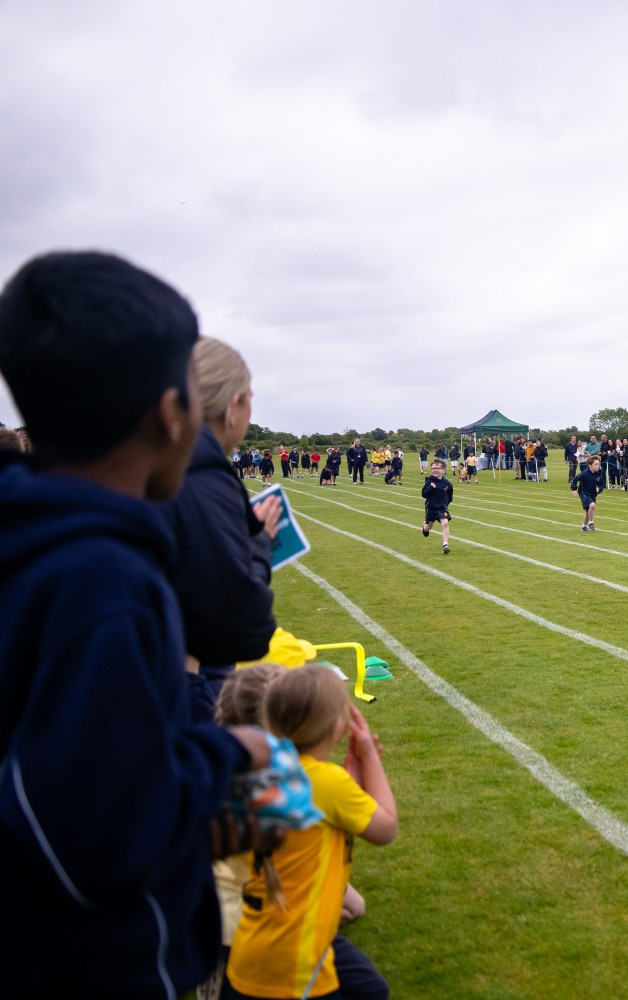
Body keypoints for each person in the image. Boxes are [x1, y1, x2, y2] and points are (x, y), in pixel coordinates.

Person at [0, 250, 276, 996]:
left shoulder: (43, 547)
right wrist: (230, 756)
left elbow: (63, 759)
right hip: (90, 964)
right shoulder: (105, 580)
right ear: (172, 412)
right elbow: (93, 836)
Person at [225, 665, 397, 1000]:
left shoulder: (272, 773)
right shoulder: (327, 782)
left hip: (255, 946)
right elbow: (385, 828)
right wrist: (369, 757)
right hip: (294, 961)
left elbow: (326, 820)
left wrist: (350, 779)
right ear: (338, 726)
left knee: (371, 990)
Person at [162, 337, 279, 718]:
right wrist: (260, 544)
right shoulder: (201, 479)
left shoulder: (141, 461)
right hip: (178, 690)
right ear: (234, 405)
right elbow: (242, 626)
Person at [421, 457, 454, 554]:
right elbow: (424, 494)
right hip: (431, 508)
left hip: (442, 508)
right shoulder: (429, 481)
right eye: (433, 468)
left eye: (437, 468)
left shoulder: (447, 484)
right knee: (429, 527)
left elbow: (449, 497)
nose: (435, 470)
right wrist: (430, 488)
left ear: (443, 470)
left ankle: (445, 544)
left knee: (445, 523)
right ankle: (424, 526)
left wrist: (445, 505)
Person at [572, 454, 606, 531]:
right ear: (590, 465)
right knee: (592, 505)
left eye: (599, 464)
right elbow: (575, 480)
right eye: (596, 464)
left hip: (592, 494)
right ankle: (591, 523)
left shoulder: (599, 474)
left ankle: (584, 526)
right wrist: (574, 489)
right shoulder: (584, 473)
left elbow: (602, 484)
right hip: (583, 492)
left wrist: (599, 489)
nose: (598, 466)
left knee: (589, 511)